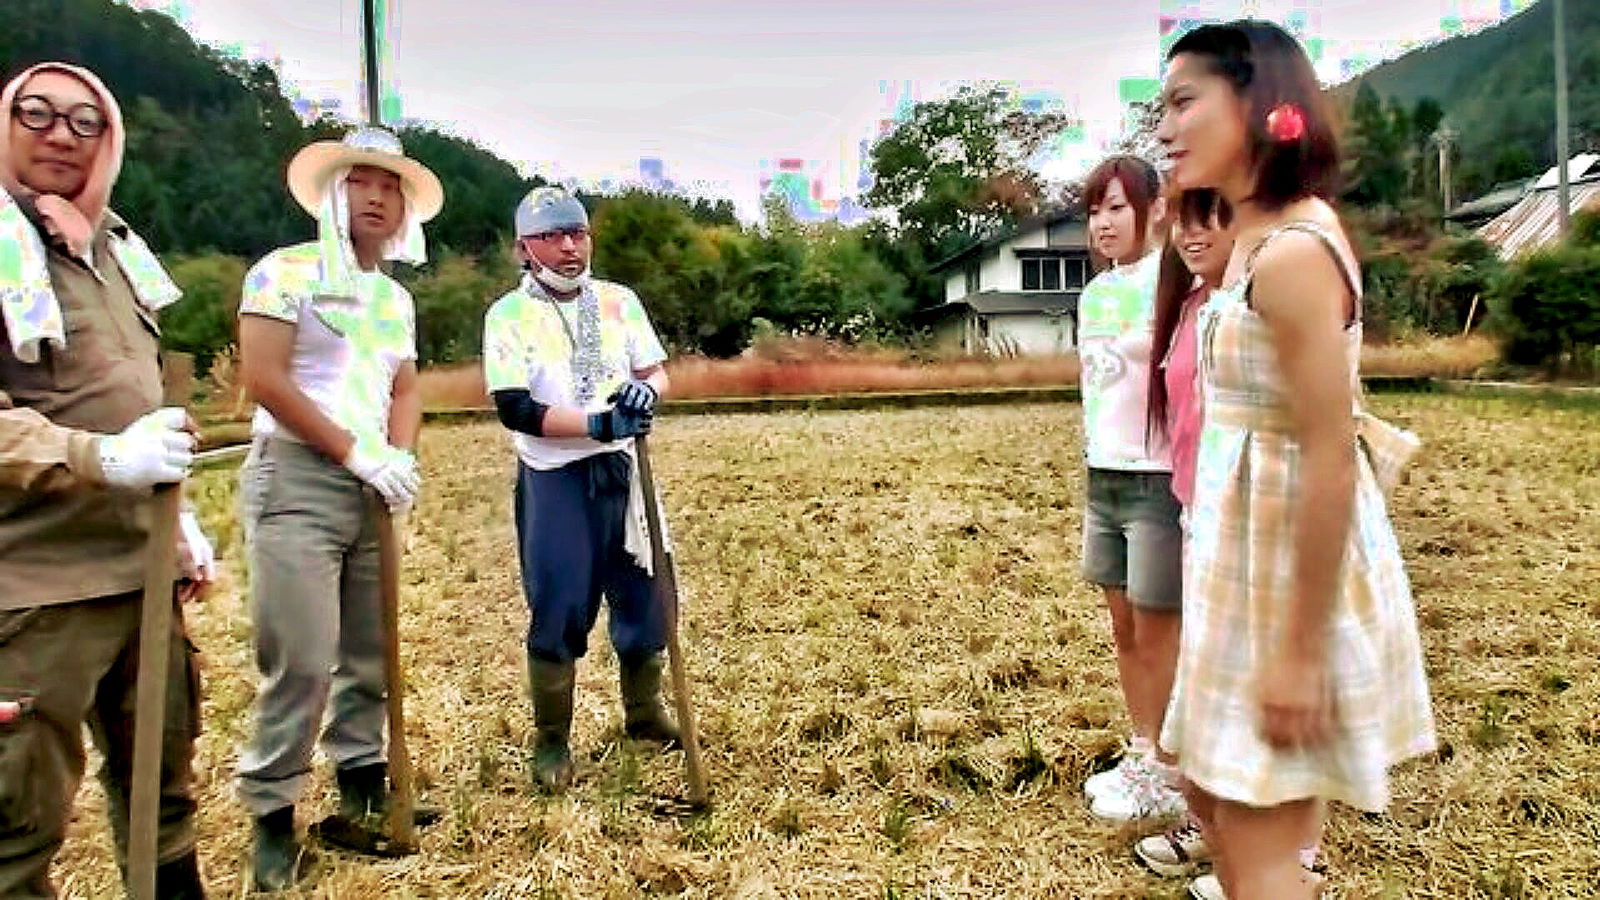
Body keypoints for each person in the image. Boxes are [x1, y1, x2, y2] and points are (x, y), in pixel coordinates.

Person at [1155, 20, 1436, 900]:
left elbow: (1327, 455)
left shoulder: (1294, 254)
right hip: (1239, 563)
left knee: (1260, 843)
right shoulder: (1253, 237)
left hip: (1282, 582)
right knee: (1217, 803)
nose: (1164, 129)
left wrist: (1301, 654)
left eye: (1183, 102)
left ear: (1257, 102)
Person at [0, 62, 214, 898]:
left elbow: (137, 396)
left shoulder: (115, 248)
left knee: (164, 797)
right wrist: (101, 458)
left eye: (85, 121)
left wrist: (177, 515)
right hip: (38, 589)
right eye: (38, 113)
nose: (62, 134)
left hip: (142, 572)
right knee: (17, 823)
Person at [234, 126, 443, 891]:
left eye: (391, 187)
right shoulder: (283, 271)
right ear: (331, 192)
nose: (377, 198)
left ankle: (362, 785)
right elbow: (265, 378)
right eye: (362, 181)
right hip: (297, 478)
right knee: (301, 653)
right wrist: (354, 452)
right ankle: (272, 814)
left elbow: (405, 386)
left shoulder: (394, 297)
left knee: (369, 647)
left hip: (372, 487)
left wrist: (398, 457)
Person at [481, 186, 676, 793]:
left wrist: (648, 392)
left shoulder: (619, 302)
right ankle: (551, 740)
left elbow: (655, 371)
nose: (569, 246)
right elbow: (515, 407)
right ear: (524, 248)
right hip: (555, 478)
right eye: (552, 236)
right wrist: (594, 425)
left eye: (578, 233)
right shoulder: (507, 315)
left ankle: (644, 714)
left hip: (625, 470)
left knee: (647, 592)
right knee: (560, 601)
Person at [1075, 154, 1187, 824]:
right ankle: (1144, 749)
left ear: (1157, 209)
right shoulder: (1095, 293)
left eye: (1118, 207)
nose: (1104, 223)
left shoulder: (1177, 282)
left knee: (1158, 627)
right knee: (1123, 627)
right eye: (1095, 211)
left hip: (1158, 479)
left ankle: (1174, 768)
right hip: (1104, 476)